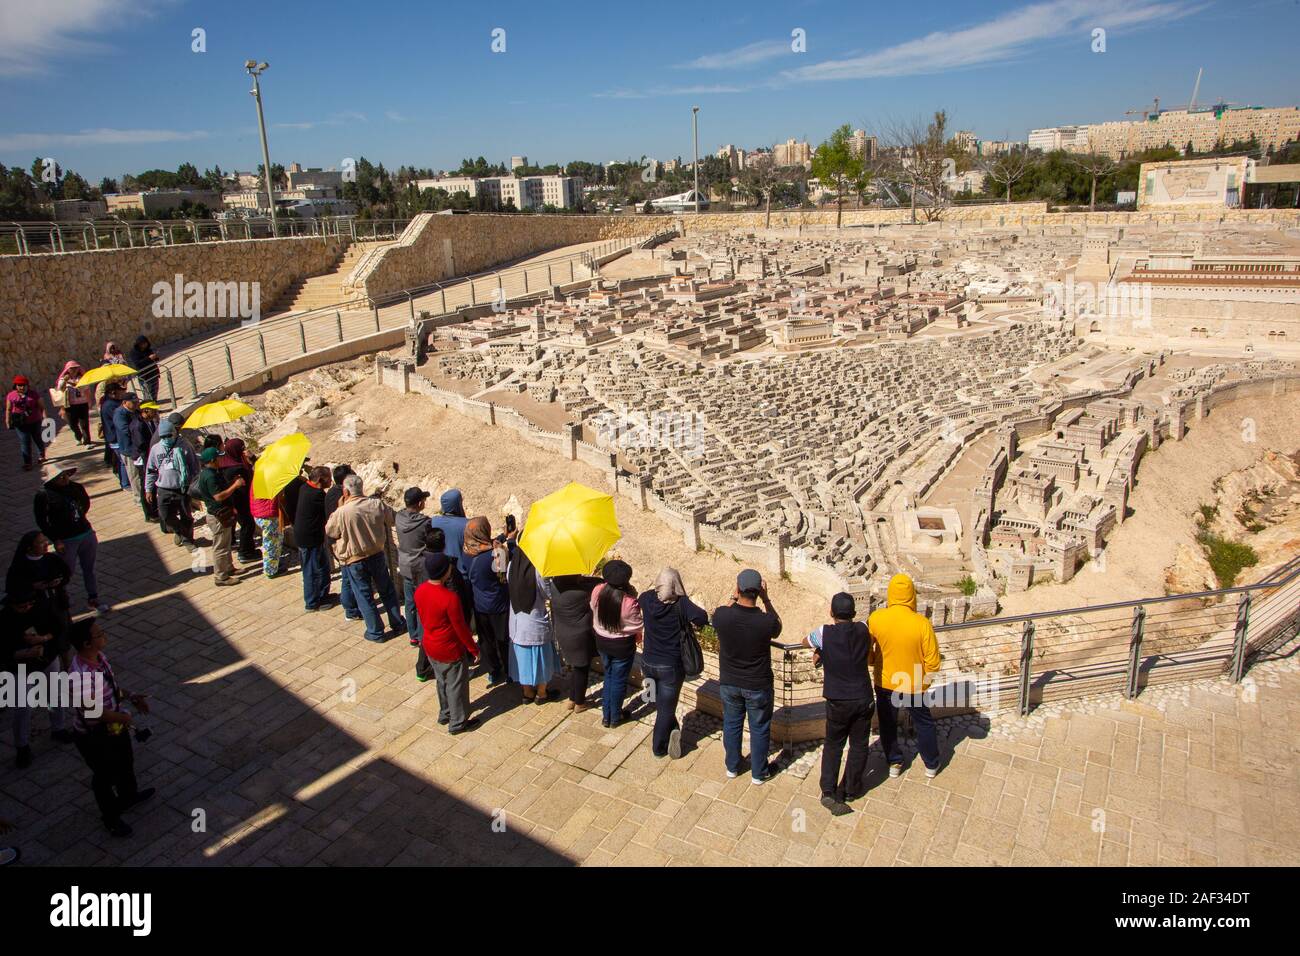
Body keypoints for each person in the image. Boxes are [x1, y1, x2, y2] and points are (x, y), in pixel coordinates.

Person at [67, 618, 155, 838]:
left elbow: (112, 687)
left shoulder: (100, 658)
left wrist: (131, 696)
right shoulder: (80, 676)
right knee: (104, 777)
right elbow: (93, 713)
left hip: (115, 728)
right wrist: (124, 718)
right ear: (87, 644)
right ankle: (111, 818)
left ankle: (129, 796)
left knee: (125, 763)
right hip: (95, 736)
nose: (104, 635)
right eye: (99, 634)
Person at [803, 592, 875, 814]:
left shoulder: (825, 633)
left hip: (838, 700)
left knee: (834, 744)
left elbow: (804, 641)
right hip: (863, 697)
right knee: (860, 744)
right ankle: (852, 788)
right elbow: (865, 644)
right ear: (853, 613)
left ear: (831, 613)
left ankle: (828, 791)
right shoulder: (864, 628)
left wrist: (821, 651)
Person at [870, 573, 944, 779]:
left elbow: (867, 653)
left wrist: (873, 661)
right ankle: (931, 764)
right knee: (924, 723)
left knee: (887, 722)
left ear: (891, 594)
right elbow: (933, 661)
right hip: (914, 683)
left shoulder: (876, 619)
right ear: (911, 595)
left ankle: (894, 762)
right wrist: (925, 683)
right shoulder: (922, 623)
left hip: (885, 682)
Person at [713, 569, 782, 784]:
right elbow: (777, 626)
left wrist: (733, 597)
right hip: (757, 684)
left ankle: (732, 767)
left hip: (729, 682)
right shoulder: (765, 622)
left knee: (732, 724)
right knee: (759, 728)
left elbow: (720, 613)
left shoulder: (723, 616)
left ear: (738, 588)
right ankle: (758, 773)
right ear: (759, 591)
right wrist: (767, 598)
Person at [638, 568, 708, 759]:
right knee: (665, 709)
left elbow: (640, 600)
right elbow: (702, 617)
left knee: (658, 702)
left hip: (647, 663)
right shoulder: (681, 604)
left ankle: (673, 729)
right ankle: (659, 748)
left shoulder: (646, 598)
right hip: (670, 667)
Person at [325, 474, 405, 641]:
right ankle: (397, 623)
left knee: (364, 595)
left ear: (345, 491)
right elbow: (392, 519)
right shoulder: (376, 504)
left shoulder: (342, 512)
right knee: (387, 591)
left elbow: (331, 531)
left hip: (354, 559)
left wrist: (338, 509)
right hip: (376, 554)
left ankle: (376, 632)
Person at [1, 584, 71, 768]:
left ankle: (58, 728)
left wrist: (43, 639)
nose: (26, 608)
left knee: (55, 695)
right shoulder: (4, 619)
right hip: (19, 669)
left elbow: (58, 628)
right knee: (22, 708)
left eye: (29, 604)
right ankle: (22, 747)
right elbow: (3, 652)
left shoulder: (42, 608)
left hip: (47, 659)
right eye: (21, 606)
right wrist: (22, 654)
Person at [415, 553, 480, 734]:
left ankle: (445, 713)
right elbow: (461, 628)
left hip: (430, 644)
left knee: (441, 681)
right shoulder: (450, 598)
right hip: (449, 647)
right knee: (455, 685)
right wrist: (473, 649)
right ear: (445, 572)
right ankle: (458, 722)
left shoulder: (420, 591)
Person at [33, 463, 109, 613]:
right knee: (66, 572)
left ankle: (93, 598)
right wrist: (56, 539)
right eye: (60, 476)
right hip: (66, 539)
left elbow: (85, 504)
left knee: (89, 568)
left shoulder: (76, 487)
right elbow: (42, 520)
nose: (64, 478)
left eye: (66, 474)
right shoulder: (44, 495)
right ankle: (61, 599)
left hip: (86, 533)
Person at [590, 559, 643, 729]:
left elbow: (592, 607)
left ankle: (607, 716)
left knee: (609, 675)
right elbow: (637, 625)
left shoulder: (598, 591)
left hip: (602, 641)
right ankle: (615, 716)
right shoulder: (629, 602)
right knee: (619, 680)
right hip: (622, 646)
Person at [507, 536, 560, 703]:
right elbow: (548, 594)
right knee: (541, 659)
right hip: (535, 621)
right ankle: (542, 693)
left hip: (517, 621)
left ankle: (527, 692)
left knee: (523, 660)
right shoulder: (538, 569)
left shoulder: (511, 565)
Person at [463, 516, 510, 686]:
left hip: (480, 604)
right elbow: (502, 575)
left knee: (486, 640)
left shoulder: (467, 551)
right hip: (498, 603)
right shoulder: (496, 555)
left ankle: (493, 670)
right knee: (503, 639)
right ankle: (509, 671)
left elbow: (486, 546)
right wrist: (504, 547)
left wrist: (502, 537)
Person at [545, 573, 600, 712]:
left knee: (576, 667)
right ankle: (579, 703)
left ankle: (572, 698)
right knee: (582, 668)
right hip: (579, 636)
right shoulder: (581, 593)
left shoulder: (554, 588)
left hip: (563, 633)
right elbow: (599, 583)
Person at [144, 418, 198, 551]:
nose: (167, 438)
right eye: (163, 436)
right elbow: (151, 470)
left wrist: (194, 485)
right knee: (165, 515)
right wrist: (148, 489)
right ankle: (179, 531)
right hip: (164, 488)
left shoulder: (184, 445)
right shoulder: (156, 449)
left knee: (186, 516)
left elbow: (194, 467)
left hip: (182, 488)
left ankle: (188, 540)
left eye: (169, 435)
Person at [193, 446, 244, 587]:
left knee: (225, 542)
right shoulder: (209, 476)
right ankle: (221, 576)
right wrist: (235, 486)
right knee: (220, 546)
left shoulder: (210, 473)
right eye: (219, 457)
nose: (221, 459)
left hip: (222, 513)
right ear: (213, 460)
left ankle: (228, 568)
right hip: (218, 515)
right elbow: (218, 496)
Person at [397, 486, 435, 649]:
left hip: (405, 565)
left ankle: (413, 636)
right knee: (422, 604)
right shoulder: (425, 522)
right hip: (420, 567)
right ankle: (422, 636)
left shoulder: (398, 517)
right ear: (420, 503)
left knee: (409, 602)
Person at [294, 466, 333, 611]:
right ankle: (312, 602)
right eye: (329, 478)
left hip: (311, 537)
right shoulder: (317, 495)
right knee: (311, 571)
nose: (331, 481)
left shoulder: (305, 487)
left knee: (323, 567)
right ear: (321, 480)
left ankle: (322, 595)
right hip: (309, 538)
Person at [217, 439, 259, 565]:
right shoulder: (236, 468)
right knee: (247, 525)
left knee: (245, 524)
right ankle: (245, 552)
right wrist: (253, 461)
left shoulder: (224, 463)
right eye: (242, 448)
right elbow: (250, 478)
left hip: (232, 501)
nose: (244, 451)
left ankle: (246, 548)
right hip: (240, 501)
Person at [112, 393, 151, 521]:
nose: (136, 404)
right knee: (134, 475)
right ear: (125, 402)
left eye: (136, 402)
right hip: (129, 449)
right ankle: (138, 498)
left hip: (138, 448)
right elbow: (126, 430)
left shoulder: (135, 411)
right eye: (133, 402)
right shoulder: (120, 414)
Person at [5, 375, 47, 471]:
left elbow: (42, 407)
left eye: (24, 385)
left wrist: (45, 417)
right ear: (15, 386)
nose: (22, 387)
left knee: (37, 438)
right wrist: (7, 421)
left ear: (28, 385)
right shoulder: (11, 396)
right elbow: (8, 409)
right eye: (19, 385)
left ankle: (41, 455)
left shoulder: (34, 394)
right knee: (25, 441)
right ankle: (27, 463)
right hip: (20, 423)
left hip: (35, 421)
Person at [250, 484, 289, 578]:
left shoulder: (259, 478)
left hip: (259, 512)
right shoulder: (271, 482)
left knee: (270, 541)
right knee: (272, 544)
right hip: (268, 515)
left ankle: (272, 564)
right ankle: (271, 570)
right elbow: (279, 496)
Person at [98, 381, 128, 488]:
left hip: (114, 437)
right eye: (120, 392)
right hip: (116, 438)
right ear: (113, 392)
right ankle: (125, 483)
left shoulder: (109, 403)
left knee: (121, 462)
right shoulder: (110, 405)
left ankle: (124, 482)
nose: (121, 394)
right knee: (124, 462)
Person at [55, 361, 92, 446]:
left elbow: (85, 387)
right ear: (68, 369)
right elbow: (61, 389)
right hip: (69, 405)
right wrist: (65, 381)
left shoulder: (82, 378)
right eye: (72, 368)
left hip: (82, 403)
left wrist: (77, 384)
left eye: (76, 368)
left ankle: (87, 442)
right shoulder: (63, 379)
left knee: (84, 424)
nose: (74, 370)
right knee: (72, 423)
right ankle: (78, 436)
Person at [128, 336, 161, 402]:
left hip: (153, 373)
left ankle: (154, 406)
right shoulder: (134, 353)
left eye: (145, 343)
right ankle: (149, 408)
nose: (144, 345)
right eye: (142, 343)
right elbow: (137, 364)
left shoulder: (148, 350)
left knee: (154, 392)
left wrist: (155, 357)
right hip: (144, 376)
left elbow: (154, 359)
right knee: (148, 394)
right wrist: (149, 358)